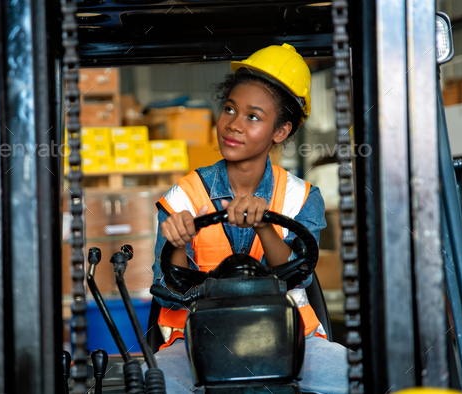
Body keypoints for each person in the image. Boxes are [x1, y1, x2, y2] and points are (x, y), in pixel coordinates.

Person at [148, 44, 349, 394]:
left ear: (281, 131)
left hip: (290, 336)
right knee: (158, 386)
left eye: (253, 117)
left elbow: (299, 276)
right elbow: (166, 294)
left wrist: (264, 226)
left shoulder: (302, 197)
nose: (233, 125)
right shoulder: (184, 196)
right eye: (229, 109)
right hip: (196, 339)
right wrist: (177, 245)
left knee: (355, 378)